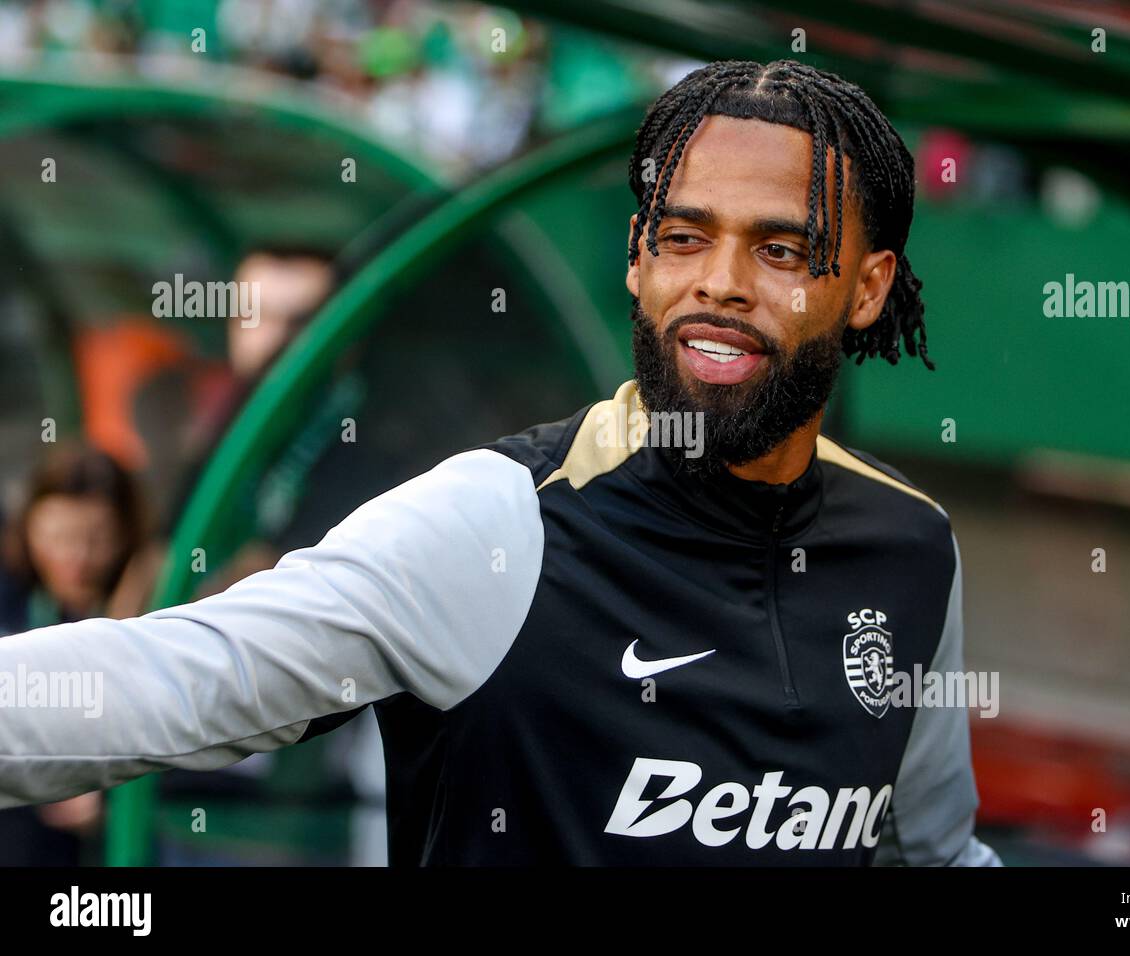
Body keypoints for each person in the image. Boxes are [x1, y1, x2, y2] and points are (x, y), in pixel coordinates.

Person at [0, 59, 999, 865]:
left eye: (782, 251)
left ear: (867, 288)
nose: (720, 283)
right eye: (684, 237)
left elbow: (928, 849)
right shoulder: (500, 521)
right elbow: (171, 676)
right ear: (637, 259)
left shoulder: (910, 548)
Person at [0, 444, 147, 865]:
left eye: (97, 540)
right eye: (58, 538)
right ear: (29, 527)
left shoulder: (153, 603)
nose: (76, 559)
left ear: (126, 535)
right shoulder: (11, 599)